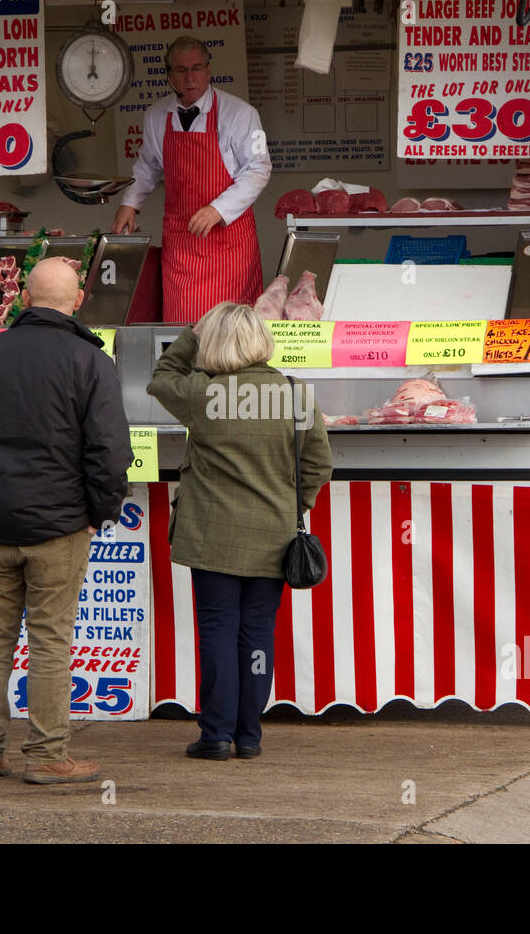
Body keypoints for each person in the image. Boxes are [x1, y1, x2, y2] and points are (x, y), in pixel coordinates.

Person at [0, 257, 133, 784]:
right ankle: (47, 755)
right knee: (51, 639)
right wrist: (99, 512)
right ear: (77, 303)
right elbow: (111, 452)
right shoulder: (90, 361)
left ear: (24, 298)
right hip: (60, 525)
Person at [147, 303, 332, 759]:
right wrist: (294, 506)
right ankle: (249, 736)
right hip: (274, 536)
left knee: (217, 631)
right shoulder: (295, 394)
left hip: (212, 538)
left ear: (215, 344)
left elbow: (160, 374)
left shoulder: (201, 394)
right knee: (256, 636)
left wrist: (192, 334)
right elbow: (318, 465)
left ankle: (214, 735)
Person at [112, 35, 271, 322]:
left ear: (209, 70)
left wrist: (217, 209)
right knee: (181, 328)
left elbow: (258, 169)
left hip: (228, 244)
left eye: (197, 68)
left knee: (227, 331)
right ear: (169, 75)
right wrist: (130, 204)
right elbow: (148, 166)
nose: (190, 77)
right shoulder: (156, 115)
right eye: (181, 70)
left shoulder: (241, 113)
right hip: (181, 242)